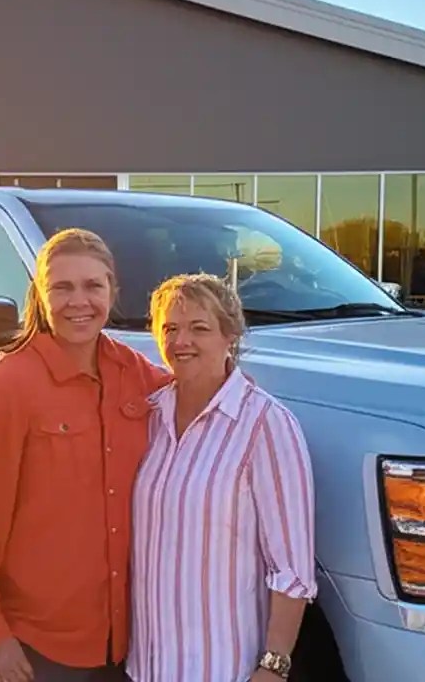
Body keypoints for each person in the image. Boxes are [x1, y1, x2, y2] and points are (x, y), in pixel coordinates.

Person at [0, 228, 171, 682]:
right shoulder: (5, 385)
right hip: (35, 649)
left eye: (93, 286)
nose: (79, 301)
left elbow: (201, 399)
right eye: (62, 287)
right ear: (39, 294)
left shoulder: (134, 374)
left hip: (124, 646)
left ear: (113, 291)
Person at [128, 273, 317, 682]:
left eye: (199, 328)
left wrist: (274, 665)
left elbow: (293, 568)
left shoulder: (266, 424)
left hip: (221, 667)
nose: (182, 342)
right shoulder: (148, 417)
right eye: (170, 329)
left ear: (230, 335)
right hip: (147, 666)